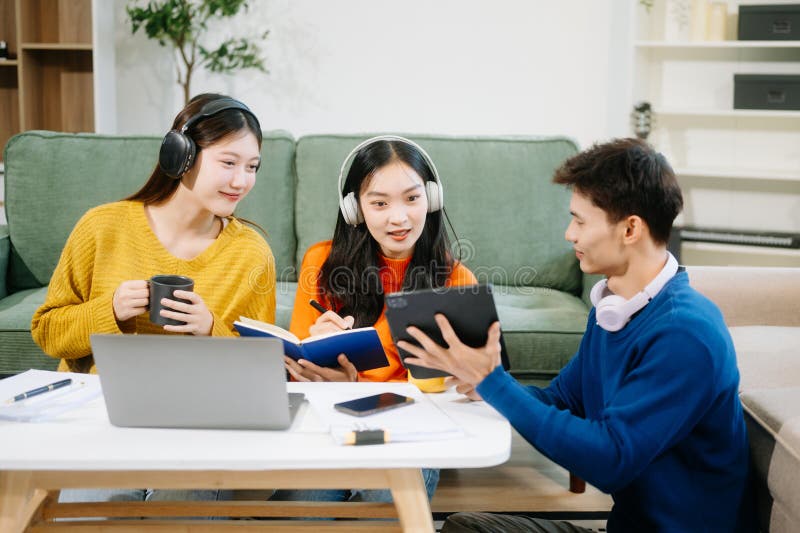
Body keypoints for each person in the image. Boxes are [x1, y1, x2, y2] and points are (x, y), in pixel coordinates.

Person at [399, 138, 756, 532]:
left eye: (581, 221)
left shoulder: (685, 335)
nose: (570, 234)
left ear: (630, 228)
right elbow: (561, 401)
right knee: (465, 528)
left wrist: (494, 382)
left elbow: (610, 460)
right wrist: (487, 389)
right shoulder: (614, 310)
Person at [31, 93, 276, 507]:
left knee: (181, 508)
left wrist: (210, 331)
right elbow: (48, 332)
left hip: (199, 430)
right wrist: (107, 311)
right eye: (228, 163)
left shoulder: (252, 252)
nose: (241, 181)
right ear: (180, 155)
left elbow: (263, 372)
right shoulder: (102, 227)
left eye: (251, 167)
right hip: (101, 421)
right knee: (101, 508)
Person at [271, 135, 476, 506]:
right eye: (379, 203)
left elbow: (458, 391)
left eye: (412, 199)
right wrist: (321, 367)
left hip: (412, 423)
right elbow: (296, 372)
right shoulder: (321, 264)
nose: (399, 218)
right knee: (306, 503)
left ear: (431, 198)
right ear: (354, 208)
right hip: (333, 412)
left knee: (383, 500)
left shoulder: (457, 281)